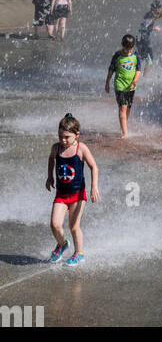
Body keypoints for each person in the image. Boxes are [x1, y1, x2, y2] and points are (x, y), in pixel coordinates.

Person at [46, 112, 99, 267]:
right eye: (60, 136)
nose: (63, 140)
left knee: (73, 226)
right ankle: (63, 245)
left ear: (77, 134)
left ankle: (79, 253)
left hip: (77, 194)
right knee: (55, 224)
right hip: (61, 194)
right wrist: (50, 177)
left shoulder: (81, 148)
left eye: (67, 137)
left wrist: (93, 187)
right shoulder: (56, 148)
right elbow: (51, 159)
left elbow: (94, 166)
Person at [105, 34, 143, 136]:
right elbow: (111, 70)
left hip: (131, 86)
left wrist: (134, 81)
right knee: (123, 108)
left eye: (130, 49)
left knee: (128, 108)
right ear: (122, 46)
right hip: (120, 85)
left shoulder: (136, 55)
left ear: (133, 47)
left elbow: (138, 70)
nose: (128, 52)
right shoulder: (117, 55)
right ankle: (125, 133)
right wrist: (107, 83)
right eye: (126, 49)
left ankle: (123, 126)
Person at [137, 1, 162, 73]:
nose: (161, 9)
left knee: (141, 58)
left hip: (139, 37)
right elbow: (146, 25)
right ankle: (144, 77)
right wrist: (157, 17)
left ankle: (135, 76)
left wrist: (154, 28)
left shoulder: (148, 14)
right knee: (150, 58)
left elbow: (144, 26)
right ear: (156, 8)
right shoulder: (150, 15)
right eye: (160, 8)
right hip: (144, 38)